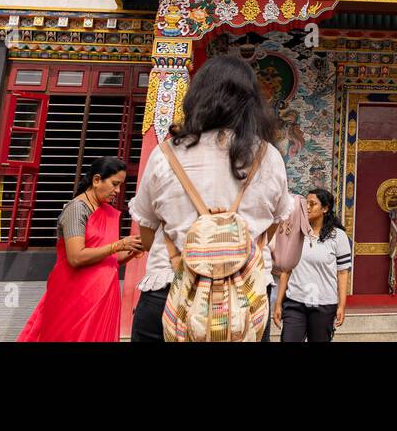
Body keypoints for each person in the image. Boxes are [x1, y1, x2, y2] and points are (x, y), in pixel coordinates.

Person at [128, 54, 294, 338]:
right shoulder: (269, 158)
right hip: (245, 304)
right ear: (252, 103)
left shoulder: (166, 155)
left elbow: (145, 235)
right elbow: (272, 227)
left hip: (171, 293)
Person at [17, 157, 140, 342]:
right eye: (115, 184)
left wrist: (133, 249)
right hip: (76, 297)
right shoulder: (77, 209)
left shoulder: (106, 212)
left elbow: (109, 258)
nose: (118, 191)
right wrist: (118, 245)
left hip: (103, 297)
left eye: (120, 185)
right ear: (96, 180)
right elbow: (76, 256)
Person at [273, 188, 350, 342]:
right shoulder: (296, 233)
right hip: (294, 301)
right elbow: (286, 270)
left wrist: (341, 305)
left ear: (325, 208)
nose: (307, 207)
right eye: (305, 203)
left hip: (324, 304)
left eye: (312, 204)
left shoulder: (338, 237)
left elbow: (343, 273)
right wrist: (278, 304)